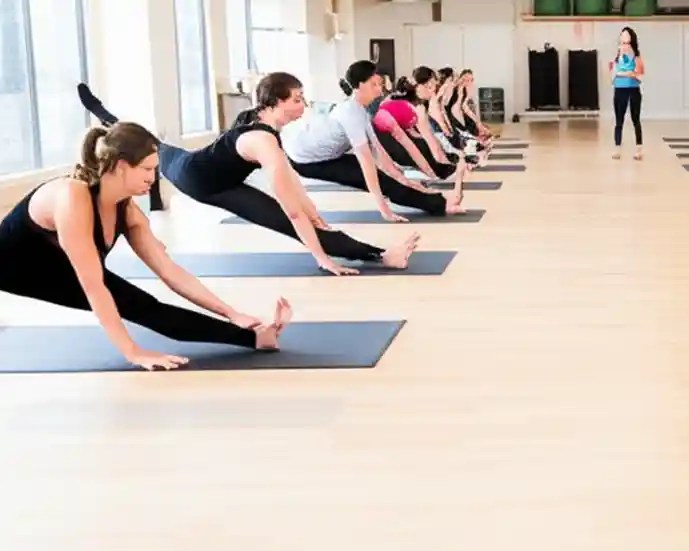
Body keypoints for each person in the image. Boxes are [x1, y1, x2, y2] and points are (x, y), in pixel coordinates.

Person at [0, 123, 292, 370]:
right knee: (123, 301)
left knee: (144, 306)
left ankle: (257, 339)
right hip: (10, 267)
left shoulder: (128, 213)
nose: (153, 179)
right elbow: (94, 286)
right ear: (121, 166)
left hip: (51, 268)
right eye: (147, 169)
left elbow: (169, 271)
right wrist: (133, 352)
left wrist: (234, 314)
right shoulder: (72, 198)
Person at [76, 78, 417, 276]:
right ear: (274, 103)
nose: (304, 105)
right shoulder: (263, 141)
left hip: (222, 183)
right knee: (145, 140)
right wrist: (322, 259)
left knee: (314, 223)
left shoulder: (265, 128)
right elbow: (293, 212)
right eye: (297, 100)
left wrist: (315, 213)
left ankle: (379, 254)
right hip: (191, 175)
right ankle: (102, 113)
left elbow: (296, 190)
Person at [282, 60, 467, 219]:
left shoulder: (360, 111)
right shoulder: (352, 114)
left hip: (319, 151)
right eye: (374, 85)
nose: (380, 91)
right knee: (379, 180)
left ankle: (438, 201)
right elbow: (368, 166)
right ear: (360, 85)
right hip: (306, 160)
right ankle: (440, 204)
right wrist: (384, 209)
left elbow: (379, 152)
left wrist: (404, 178)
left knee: (390, 178)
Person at [374, 68, 462, 180]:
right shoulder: (417, 107)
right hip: (391, 149)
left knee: (423, 141)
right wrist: (441, 165)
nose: (434, 92)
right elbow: (429, 139)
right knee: (425, 144)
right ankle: (431, 169)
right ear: (427, 85)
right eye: (434, 87)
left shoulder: (398, 98)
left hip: (382, 148)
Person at [609, 26, 645, 160]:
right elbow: (613, 75)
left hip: (633, 90)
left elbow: (640, 75)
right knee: (619, 121)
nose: (624, 44)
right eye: (622, 39)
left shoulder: (636, 56)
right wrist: (624, 74)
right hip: (619, 90)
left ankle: (639, 149)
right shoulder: (618, 57)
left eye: (626, 40)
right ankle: (617, 148)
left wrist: (628, 74)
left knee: (636, 119)